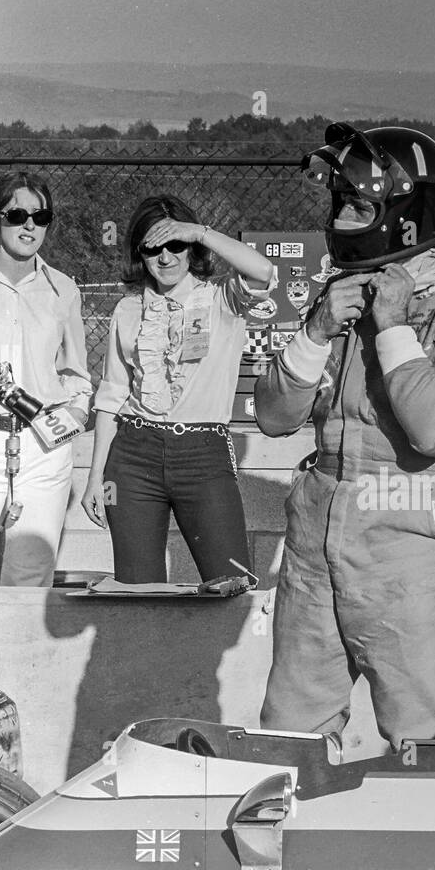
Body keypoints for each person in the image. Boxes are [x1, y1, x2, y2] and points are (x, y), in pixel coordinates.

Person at [255, 123, 435, 750]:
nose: (344, 216)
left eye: (359, 204)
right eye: (340, 201)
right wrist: (314, 331)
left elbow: (434, 429)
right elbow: (274, 417)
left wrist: (392, 327)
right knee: (291, 729)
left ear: (405, 213)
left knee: (420, 730)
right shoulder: (337, 296)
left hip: (406, 544)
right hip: (314, 544)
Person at [81, 195, 275, 582]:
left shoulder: (222, 296)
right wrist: (93, 477)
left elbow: (264, 272)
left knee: (232, 582)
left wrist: (199, 231)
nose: (166, 258)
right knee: (137, 592)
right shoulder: (128, 309)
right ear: (140, 253)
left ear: (192, 248)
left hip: (203, 456)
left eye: (176, 245)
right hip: (132, 457)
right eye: (154, 248)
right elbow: (112, 396)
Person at [0, 172, 91, 585]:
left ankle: (19, 653)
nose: (29, 225)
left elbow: (77, 375)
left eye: (40, 216)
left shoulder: (63, 288)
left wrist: (72, 416)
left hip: (43, 447)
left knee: (28, 578)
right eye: (18, 214)